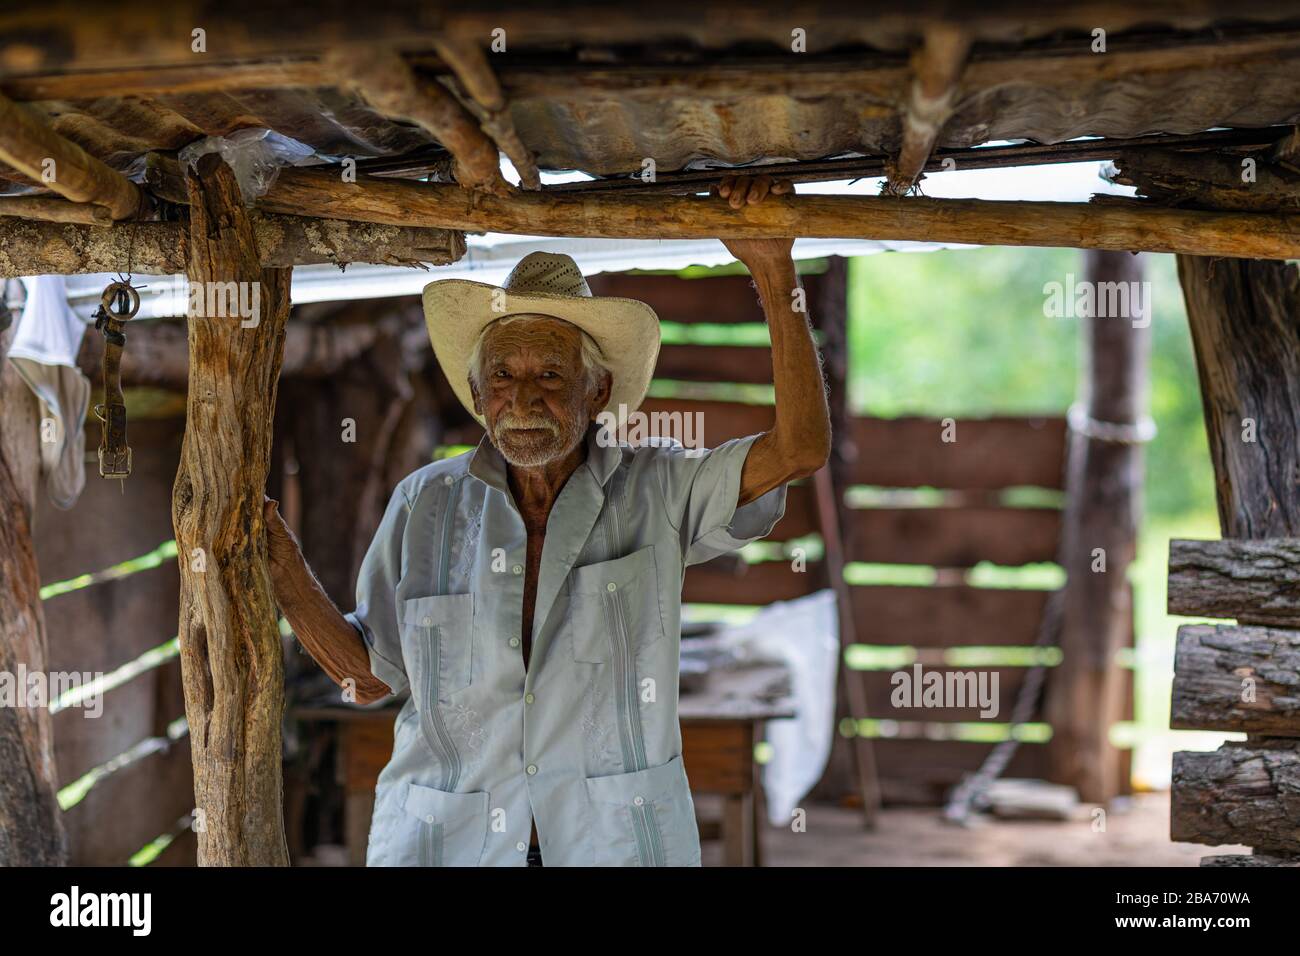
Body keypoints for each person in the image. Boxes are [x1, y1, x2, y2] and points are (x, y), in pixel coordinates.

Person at [264, 174, 830, 866]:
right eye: (502, 376)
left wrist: (773, 269)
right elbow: (372, 679)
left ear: (598, 391)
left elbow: (800, 447)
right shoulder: (425, 505)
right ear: (476, 393)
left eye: (551, 377)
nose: (522, 399)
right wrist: (281, 566)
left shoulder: (658, 489)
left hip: (611, 844)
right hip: (452, 846)